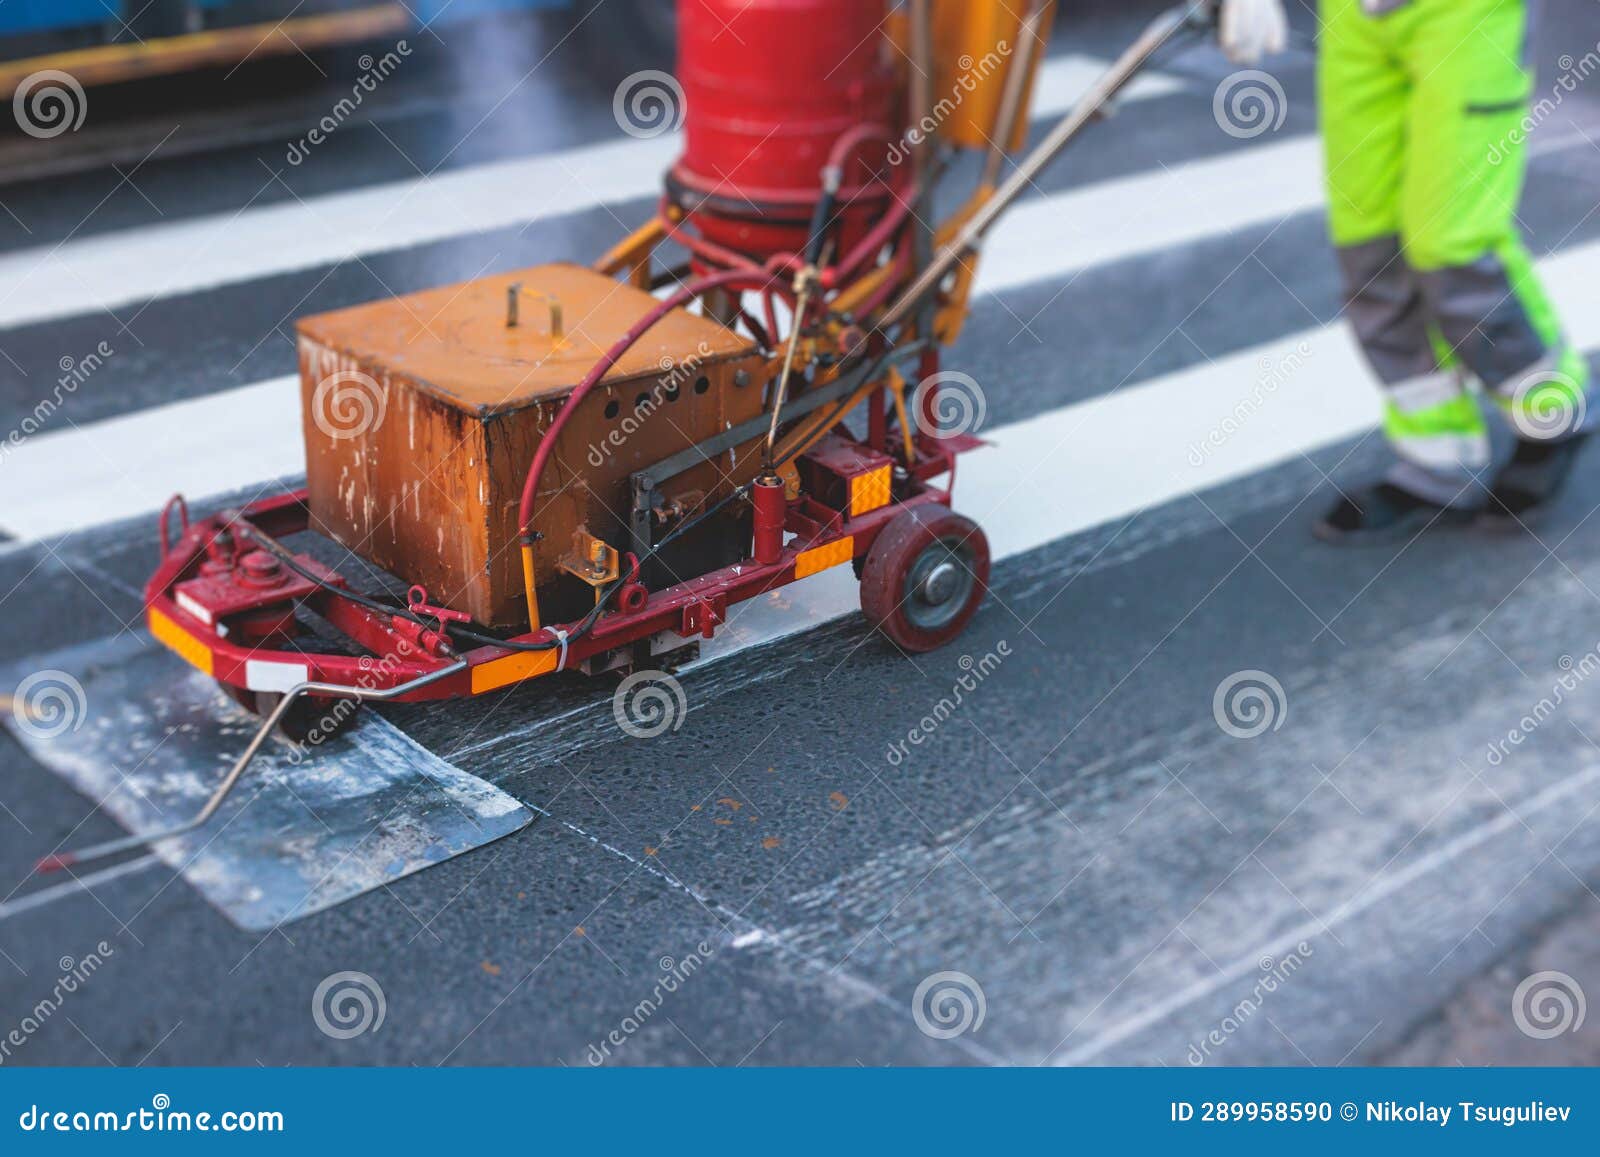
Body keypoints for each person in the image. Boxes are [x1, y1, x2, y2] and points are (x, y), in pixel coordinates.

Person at [1218, 0, 1592, 542]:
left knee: (1451, 244)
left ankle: (1552, 412)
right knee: (1369, 246)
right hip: (1353, 18)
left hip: (1466, 13)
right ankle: (1438, 460)